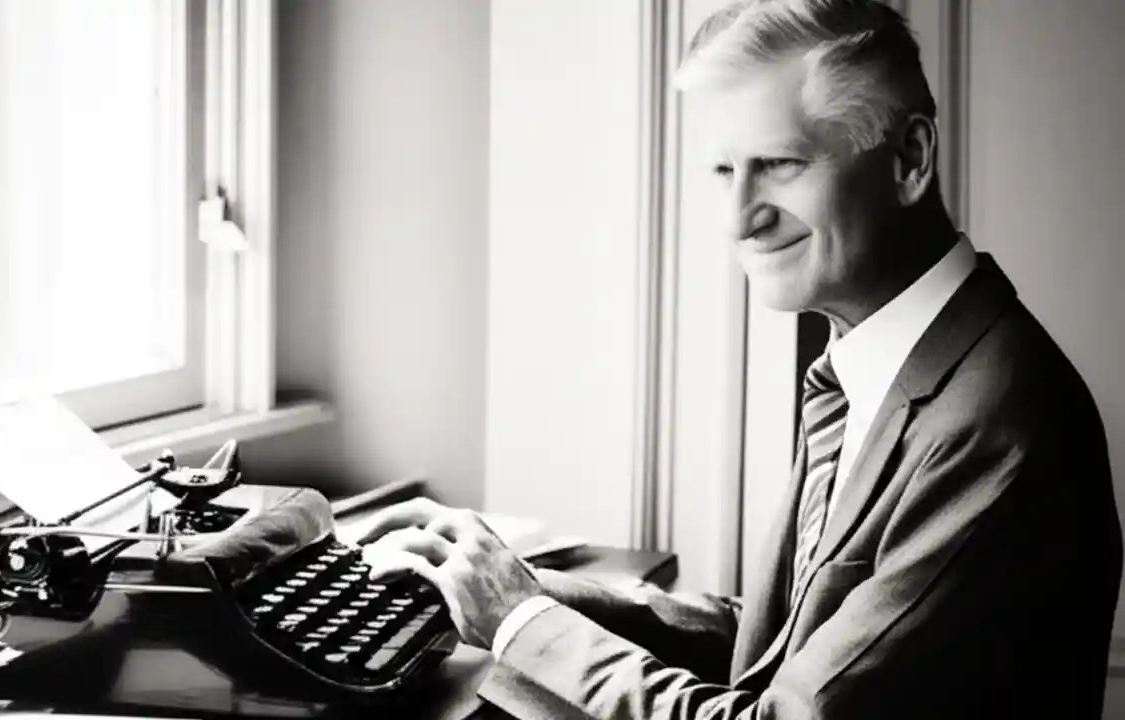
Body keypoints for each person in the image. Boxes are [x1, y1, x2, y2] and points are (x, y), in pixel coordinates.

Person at [356, 1, 1123, 717]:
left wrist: (519, 621)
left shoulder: (992, 426)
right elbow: (783, 648)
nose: (738, 220)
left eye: (781, 163)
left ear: (909, 159)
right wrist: (524, 590)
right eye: (725, 171)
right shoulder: (870, 368)